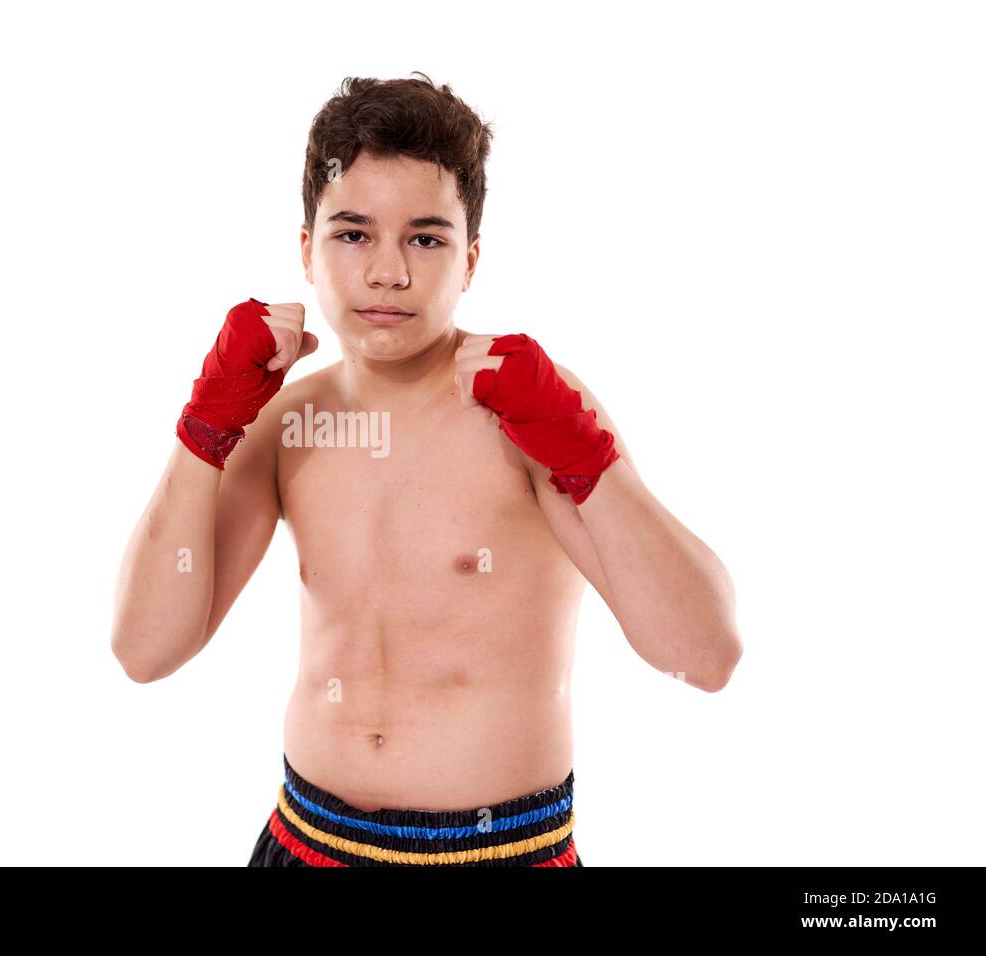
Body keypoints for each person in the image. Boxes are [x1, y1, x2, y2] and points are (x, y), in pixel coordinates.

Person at [111, 72, 743, 867]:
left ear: (470, 258)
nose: (388, 273)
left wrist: (589, 459)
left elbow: (707, 654)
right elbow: (145, 651)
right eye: (352, 233)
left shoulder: (532, 410)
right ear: (305, 249)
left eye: (426, 237)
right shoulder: (279, 419)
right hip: (304, 843)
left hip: (501, 853)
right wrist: (203, 429)